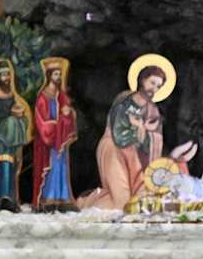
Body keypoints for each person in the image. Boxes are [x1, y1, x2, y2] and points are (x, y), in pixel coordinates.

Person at [84, 62, 171, 211]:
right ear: (143, 80)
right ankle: (86, 203)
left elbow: (152, 140)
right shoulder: (124, 101)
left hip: (133, 155)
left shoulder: (153, 110)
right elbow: (119, 136)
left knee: (137, 201)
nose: (154, 89)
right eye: (152, 83)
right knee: (122, 202)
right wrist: (138, 128)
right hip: (113, 150)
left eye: (158, 86)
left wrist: (145, 133)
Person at [0, 57, 31, 211]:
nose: (6, 78)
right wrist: (9, 120)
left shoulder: (12, 95)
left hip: (9, 140)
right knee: (0, 164)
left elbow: (21, 115)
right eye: (3, 75)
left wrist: (20, 119)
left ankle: (8, 197)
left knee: (9, 166)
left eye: (8, 75)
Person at [32, 57, 78, 211]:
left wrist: (68, 113)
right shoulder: (42, 97)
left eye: (60, 74)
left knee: (62, 166)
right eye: (56, 74)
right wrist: (58, 124)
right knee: (51, 167)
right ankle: (48, 198)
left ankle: (63, 197)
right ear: (49, 76)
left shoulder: (61, 95)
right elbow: (42, 123)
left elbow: (69, 114)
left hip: (60, 141)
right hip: (49, 142)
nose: (58, 77)